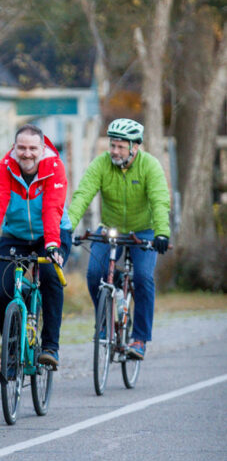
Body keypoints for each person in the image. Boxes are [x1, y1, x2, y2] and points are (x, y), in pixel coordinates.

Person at [67, 117, 170, 360]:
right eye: (112, 145)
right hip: (109, 227)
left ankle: (139, 338)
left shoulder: (150, 166)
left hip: (144, 230)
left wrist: (162, 232)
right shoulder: (101, 164)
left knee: (144, 278)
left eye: (120, 146)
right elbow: (82, 194)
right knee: (94, 274)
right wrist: (67, 226)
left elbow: (159, 200)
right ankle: (104, 321)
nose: (114, 150)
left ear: (135, 147)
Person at [0, 124, 72, 369]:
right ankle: (12, 344)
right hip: (15, 235)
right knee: (0, 292)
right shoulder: (5, 168)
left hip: (53, 234)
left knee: (50, 277)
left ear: (42, 148)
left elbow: (52, 207)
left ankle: (50, 347)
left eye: (33, 148)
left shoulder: (54, 167)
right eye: (21, 148)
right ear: (14, 148)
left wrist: (52, 245)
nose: (27, 154)